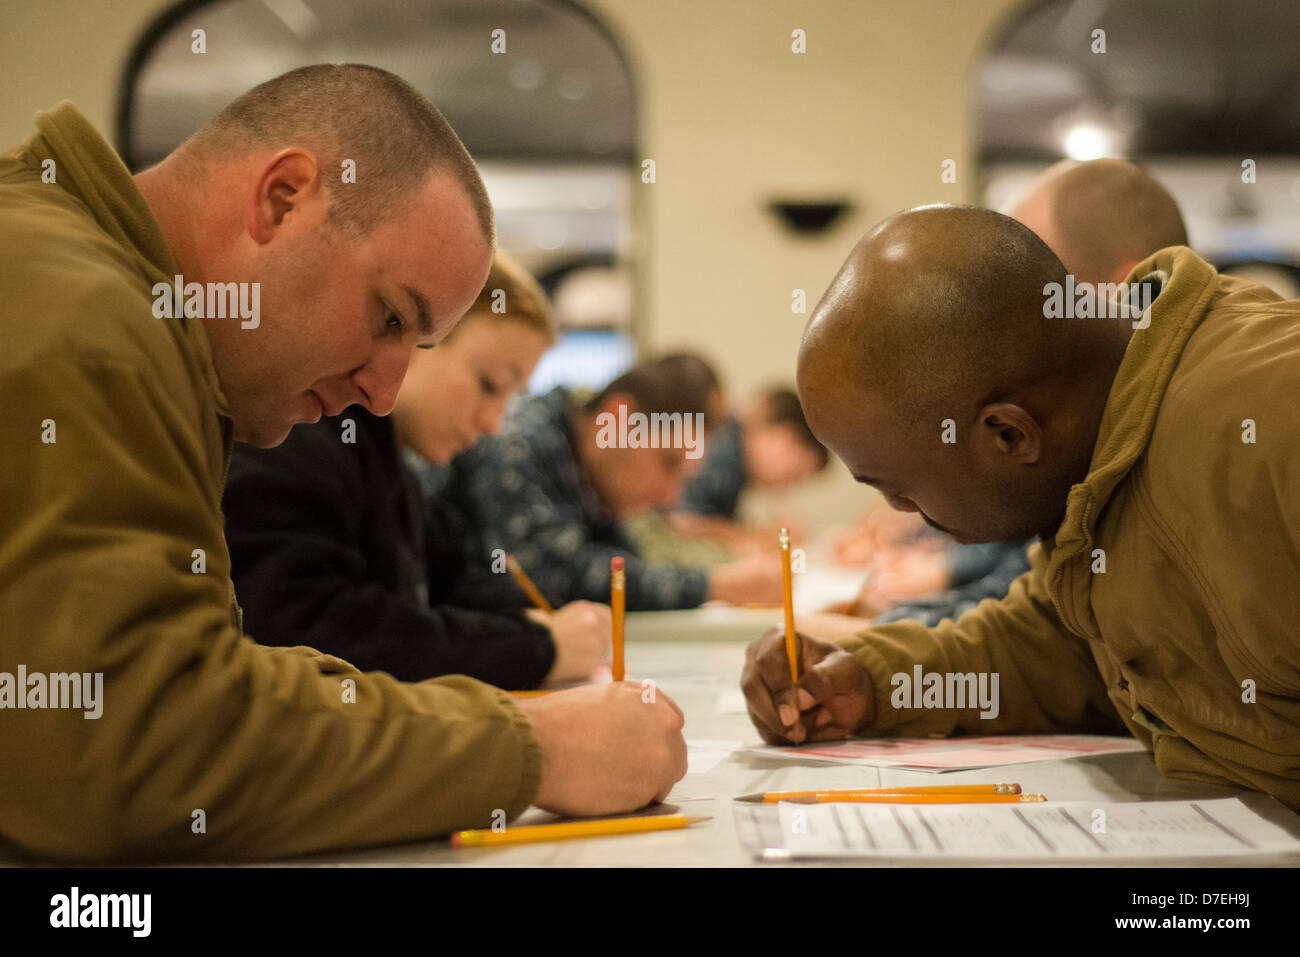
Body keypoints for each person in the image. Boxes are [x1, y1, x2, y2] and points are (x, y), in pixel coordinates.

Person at [0, 64, 685, 862]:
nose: (384, 394)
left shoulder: (118, 305)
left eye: (415, 345)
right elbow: (124, 747)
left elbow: (185, 676)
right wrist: (534, 749)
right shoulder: (88, 325)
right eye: (389, 315)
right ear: (282, 197)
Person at [742, 204, 1300, 811]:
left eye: (896, 486)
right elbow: (1058, 649)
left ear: (1008, 436)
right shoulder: (1103, 450)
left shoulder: (1269, 424)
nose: (899, 512)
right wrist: (874, 679)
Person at [223, 252, 611, 689]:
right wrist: (539, 647)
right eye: (490, 384)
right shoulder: (299, 435)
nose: (493, 423)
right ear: (419, 337)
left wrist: (534, 625)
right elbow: (319, 633)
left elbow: (458, 585)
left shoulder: (389, 464)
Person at [831, 158, 1191, 625]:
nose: (995, 311)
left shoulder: (1196, 432)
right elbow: (1042, 625)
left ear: (1118, 291)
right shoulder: (1107, 429)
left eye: (1028, 280)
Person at [447, 357, 785, 610]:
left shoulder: (586, 471)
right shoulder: (519, 439)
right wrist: (714, 585)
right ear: (618, 419)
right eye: (668, 462)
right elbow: (555, 575)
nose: (671, 496)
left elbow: (624, 561)